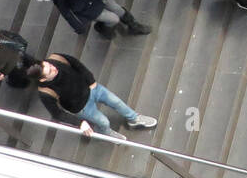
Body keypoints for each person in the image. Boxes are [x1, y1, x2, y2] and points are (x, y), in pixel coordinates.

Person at [26, 52, 156, 138]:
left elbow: (76, 64)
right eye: (50, 71)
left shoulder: (56, 58)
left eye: (49, 64)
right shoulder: (45, 93)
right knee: (103, 122)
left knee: (116, 102)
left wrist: (91, 81)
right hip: (82, 107)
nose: (54, 67)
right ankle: (105, 133)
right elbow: (57, 114)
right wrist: (79, 123)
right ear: (42, 79)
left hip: (92, 88)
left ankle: (134, 118)